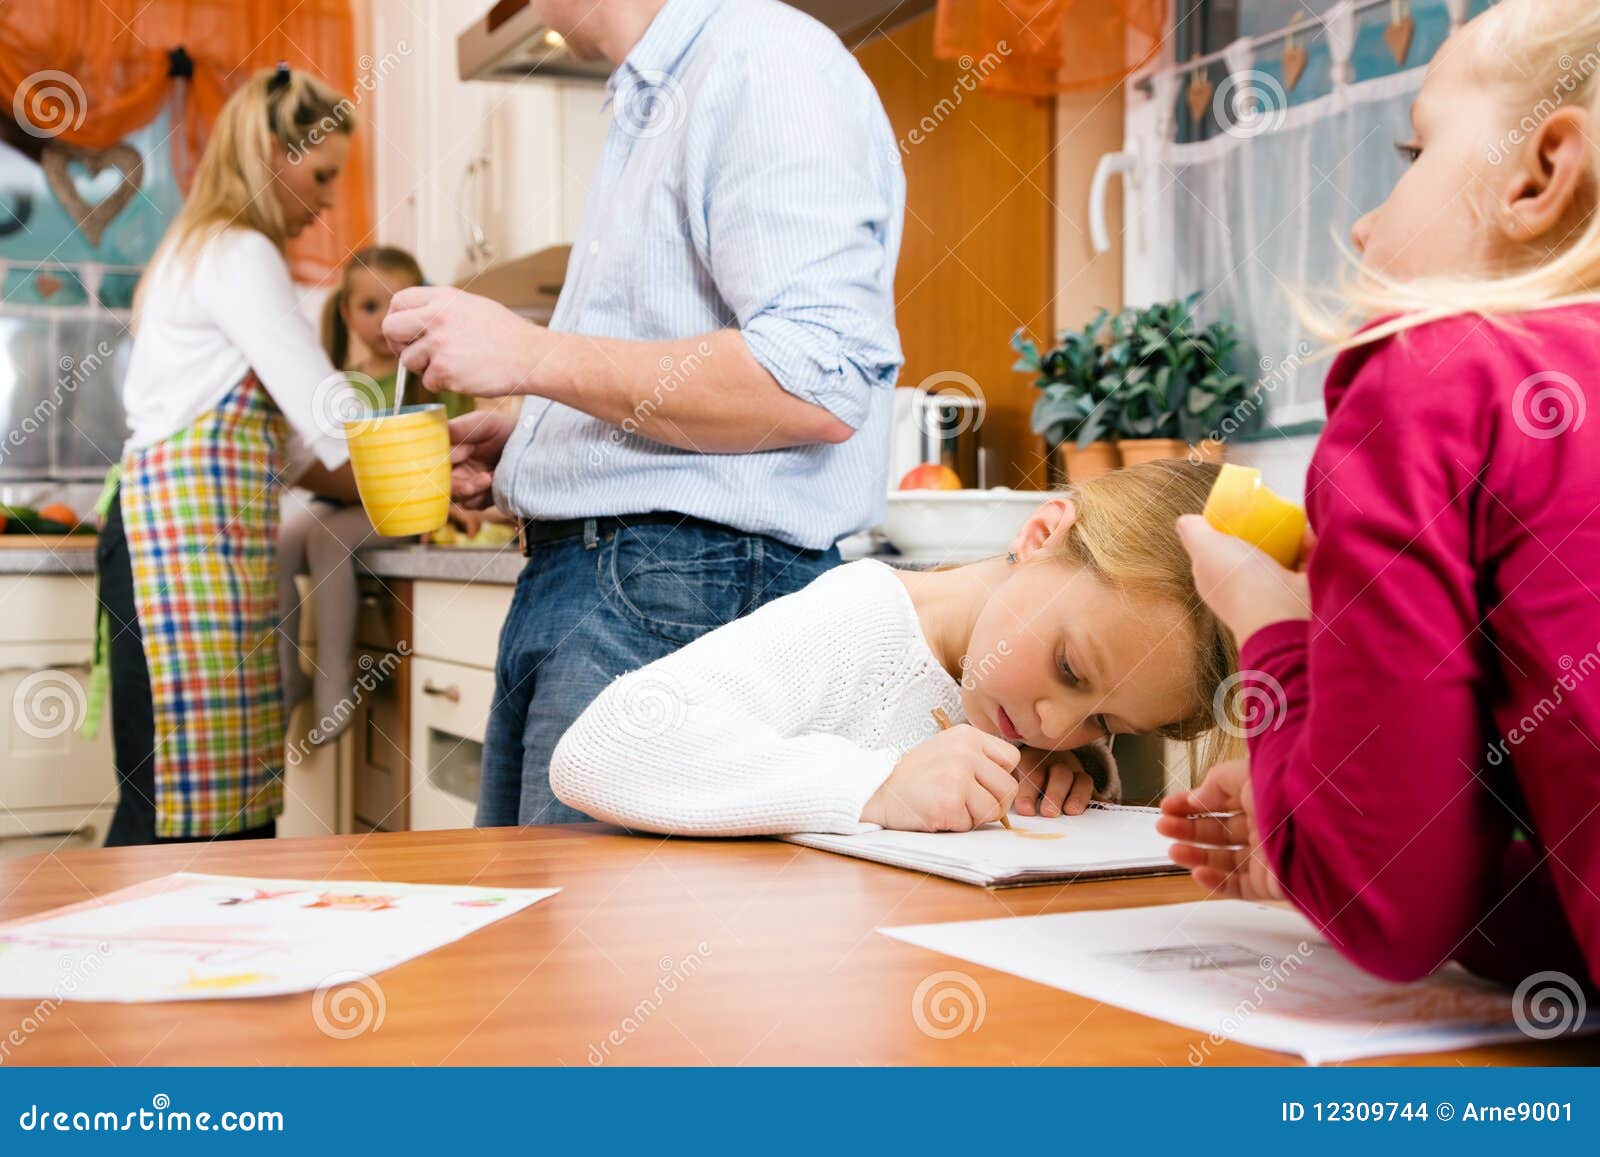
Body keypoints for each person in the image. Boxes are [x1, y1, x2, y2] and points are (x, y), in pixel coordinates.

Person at [1159, 0, 1600, 992]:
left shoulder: (1432, 376)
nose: (1364, 221)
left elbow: (1390, 907)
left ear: (1538, 175)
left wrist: (1274, 624)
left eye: (1413, 152)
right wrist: (1313, 823)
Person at [380, 0, 906, 826]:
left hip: (669, 590)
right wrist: (545, 440)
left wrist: (528, 354)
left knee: (583, 913)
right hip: (623, 588)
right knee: (533, 908)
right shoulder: (662, 93)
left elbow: (813, 378)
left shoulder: (763, 62)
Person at [553, 462, 1238, 835]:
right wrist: (879, 785)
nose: (1056, 725)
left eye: (1105, 722)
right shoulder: (860, 619)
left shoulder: (1034, 725)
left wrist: (1079, 771)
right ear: (1039, 538)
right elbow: (603, 749)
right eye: (1069, 669)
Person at [98, 65, 360, 845]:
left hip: (183, 555)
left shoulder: (201, 247)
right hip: (174, 559)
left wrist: (426, 483)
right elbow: (332, 422)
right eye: (322, 174)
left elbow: (287, 450)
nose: (328, 201)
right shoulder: (238, 252)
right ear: (275, 152)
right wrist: (441, 454)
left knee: (202, 812)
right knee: (180, 820)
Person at [276, 245, 476, 745]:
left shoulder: (439, 380)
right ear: (346, 314)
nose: (385, 321)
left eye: (398, 305)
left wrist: (457, 503)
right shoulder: (341, 386)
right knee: (277, 543)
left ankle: (334, 684)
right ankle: (286, 676)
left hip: (405, 511)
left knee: (327, 540)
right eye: (370, 307)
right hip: (345, 507)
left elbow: (462, 452)